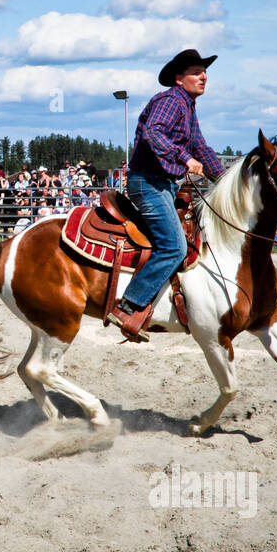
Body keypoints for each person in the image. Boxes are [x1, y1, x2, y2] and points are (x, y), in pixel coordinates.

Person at [107, 49, 224, 341]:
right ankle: (129, 307)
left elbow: (202, 148)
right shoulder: (171, 100)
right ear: (178, 78)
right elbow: (153, 133)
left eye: (204, 71)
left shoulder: (188, 107)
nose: (204, 76)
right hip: (150, 183)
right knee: (174, 246)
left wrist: (224, 180)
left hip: (163, 184)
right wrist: (184, 158)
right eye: (196, 72)